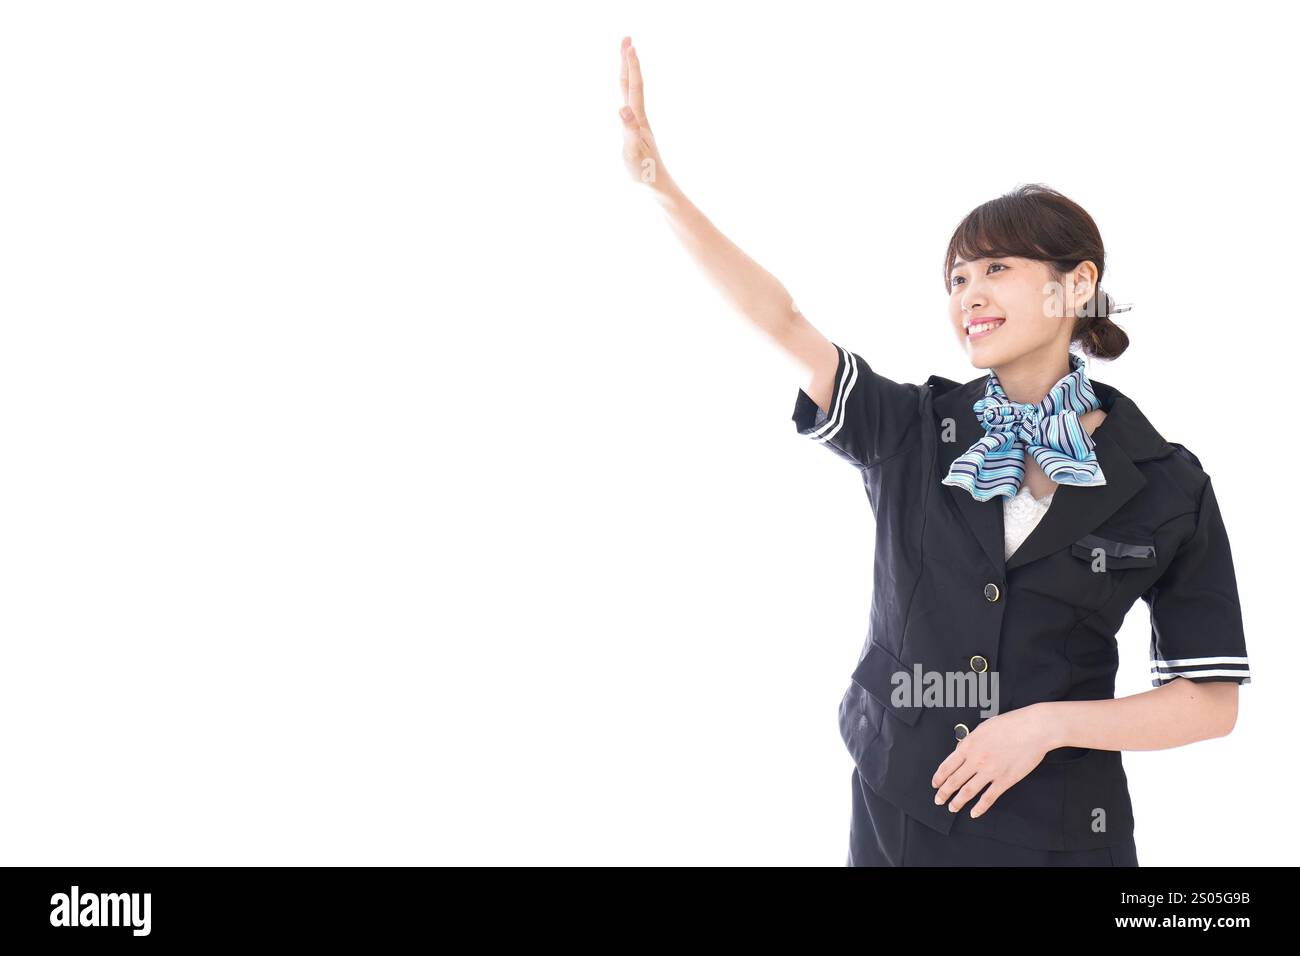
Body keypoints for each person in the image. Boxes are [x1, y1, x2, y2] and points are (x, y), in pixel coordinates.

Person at [617, 37, 1251, 866]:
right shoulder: (912, 428)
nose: (969, 295)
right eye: (956, 279)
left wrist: (1049, 726)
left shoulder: (1168, 482)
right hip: (898, 811)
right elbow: (782, 320)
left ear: (1076, 284)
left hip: (1060, 832)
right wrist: (661, 189)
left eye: (995, 267)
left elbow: (1209, 701)